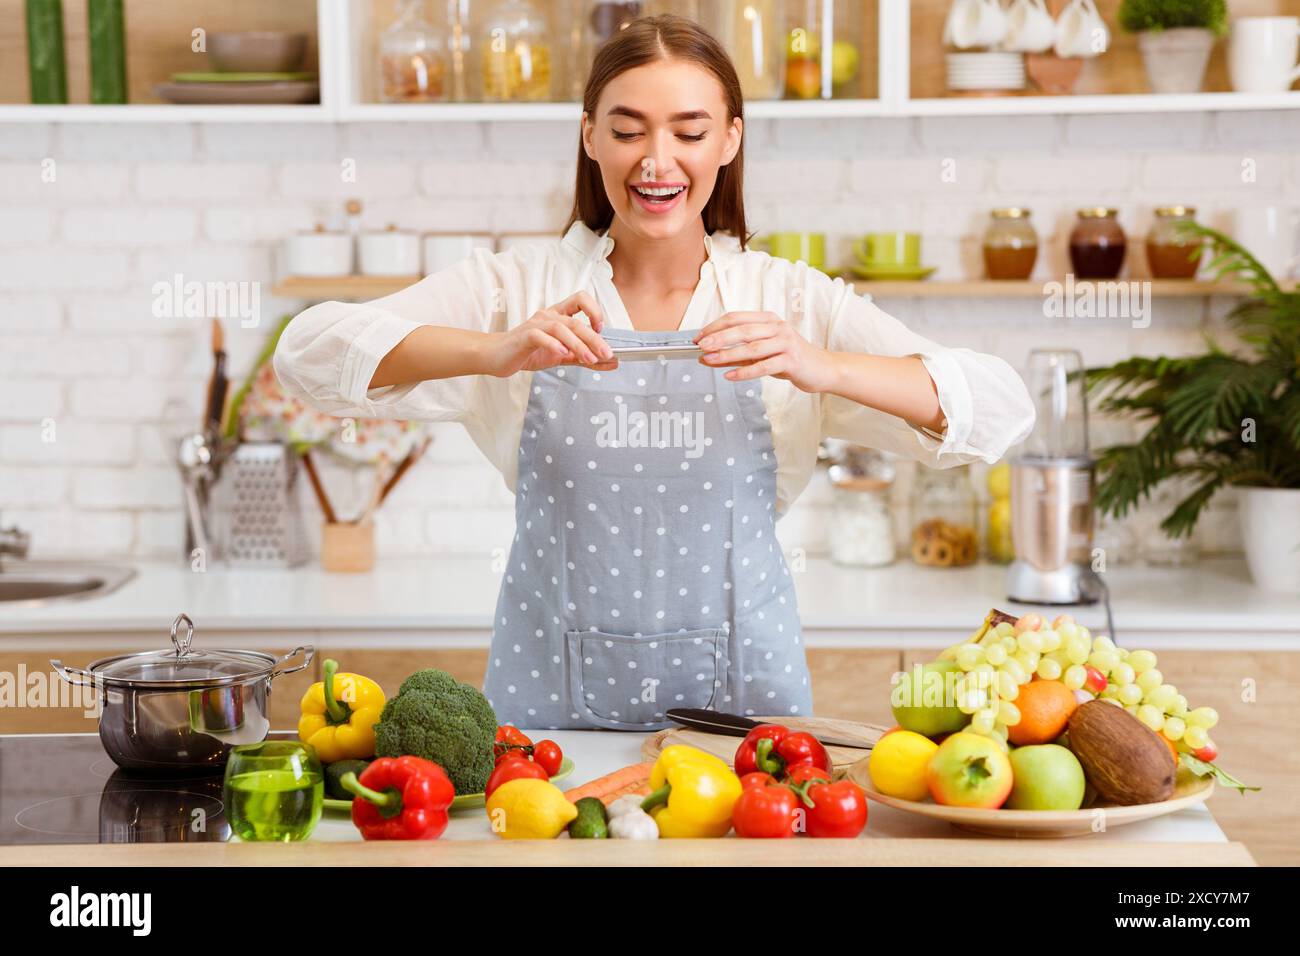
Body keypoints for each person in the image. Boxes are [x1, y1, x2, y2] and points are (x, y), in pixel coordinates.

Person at [273, 14, 1035, 731]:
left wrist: (820, 364)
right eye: (627, 130)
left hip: (743, 733)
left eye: (689, 132)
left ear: (730, 139)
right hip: (550, 731)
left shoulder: (786, 300)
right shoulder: (517, 290)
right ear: (590, 136)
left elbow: (999, 410)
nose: (656, 161)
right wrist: (490, 349)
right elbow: (306, 353)